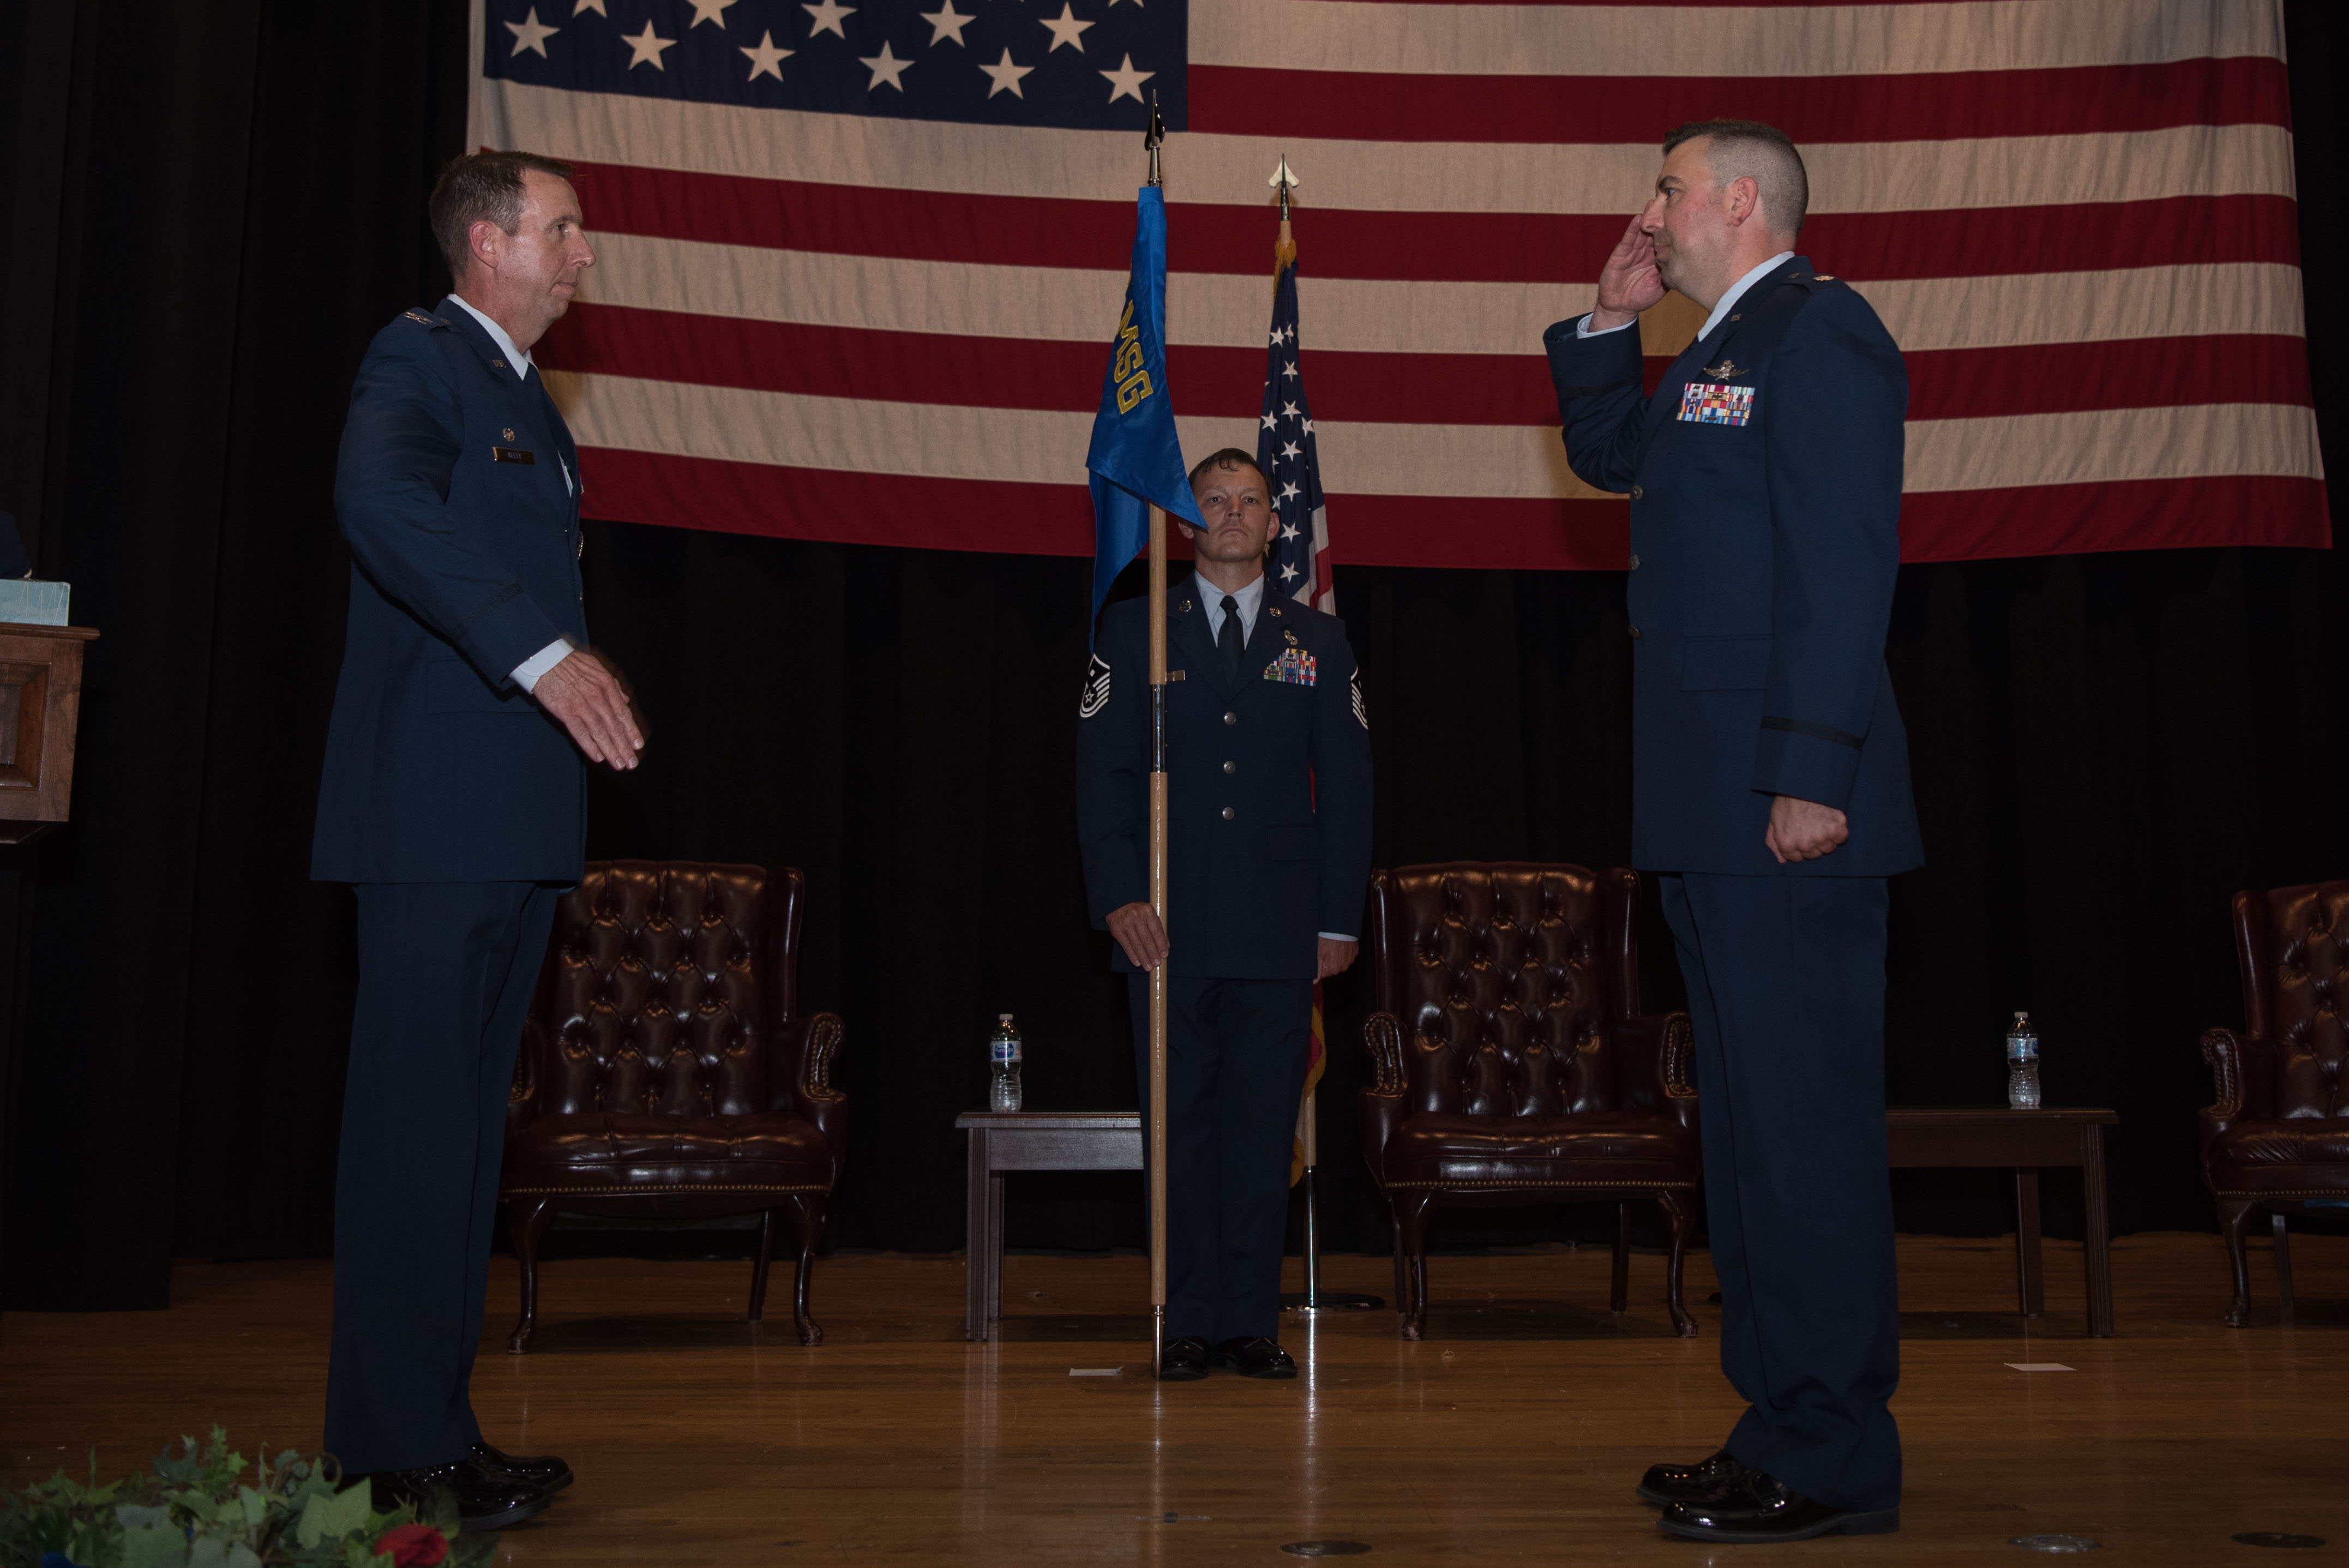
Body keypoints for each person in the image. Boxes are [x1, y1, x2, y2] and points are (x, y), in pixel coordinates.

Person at [1542, 121, 1923, 1542]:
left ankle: (1831, 1446)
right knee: (1751, 1135)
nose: (1651, 208)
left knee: (1803, 1133)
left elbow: (1842, 565)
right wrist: (1605, 322)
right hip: (1709, 801)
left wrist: (1812, 771)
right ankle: (1777, 1417)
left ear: (1737, 199)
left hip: (1784, 802)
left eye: (1666, 188)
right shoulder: (1710, 353)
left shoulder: (1819, 338)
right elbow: (1608, 457)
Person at [312, 150, 644, 1531]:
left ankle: (436, 1431)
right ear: (491, 242)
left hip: (505, 825)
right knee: (412, 1132)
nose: (584, 254)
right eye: (564, 230)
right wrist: (545, 653)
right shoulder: (421, 360)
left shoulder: (526, 398)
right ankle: (387, 1440)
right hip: (433, 820)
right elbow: (380, 507)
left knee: (460, 1141)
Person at [1074, 449, 1373, 1381]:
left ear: (1276, 525)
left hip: (1281, 924)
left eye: (1250, 500)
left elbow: (1352, 789)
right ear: (1187, 522)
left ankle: (1250, 1321)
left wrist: (1338, 920)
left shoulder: (1317, 641)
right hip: (1166, 922)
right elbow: (1102, 776)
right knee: (1181, 1125)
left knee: (1258, 1126)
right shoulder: (1135, 632)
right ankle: (1188, 1318)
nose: (1234, 513)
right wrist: (1120, 894)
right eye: (1215, 500)